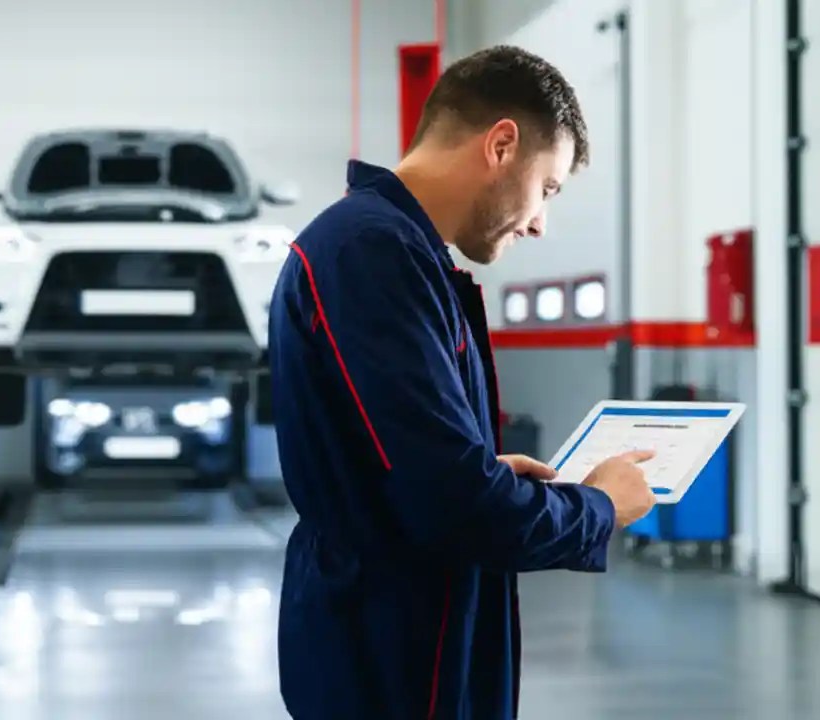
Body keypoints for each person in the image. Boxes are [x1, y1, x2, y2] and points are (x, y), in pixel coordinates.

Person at [266, 45, 658, 720]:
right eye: (549, 188)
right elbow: (451, 503)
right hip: (389, 660)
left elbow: (403, 467)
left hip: (403, 639)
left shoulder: (398, 252)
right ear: (502, 144)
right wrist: (598, 508)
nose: (540, 222)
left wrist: (486, 468)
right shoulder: (373, 251)